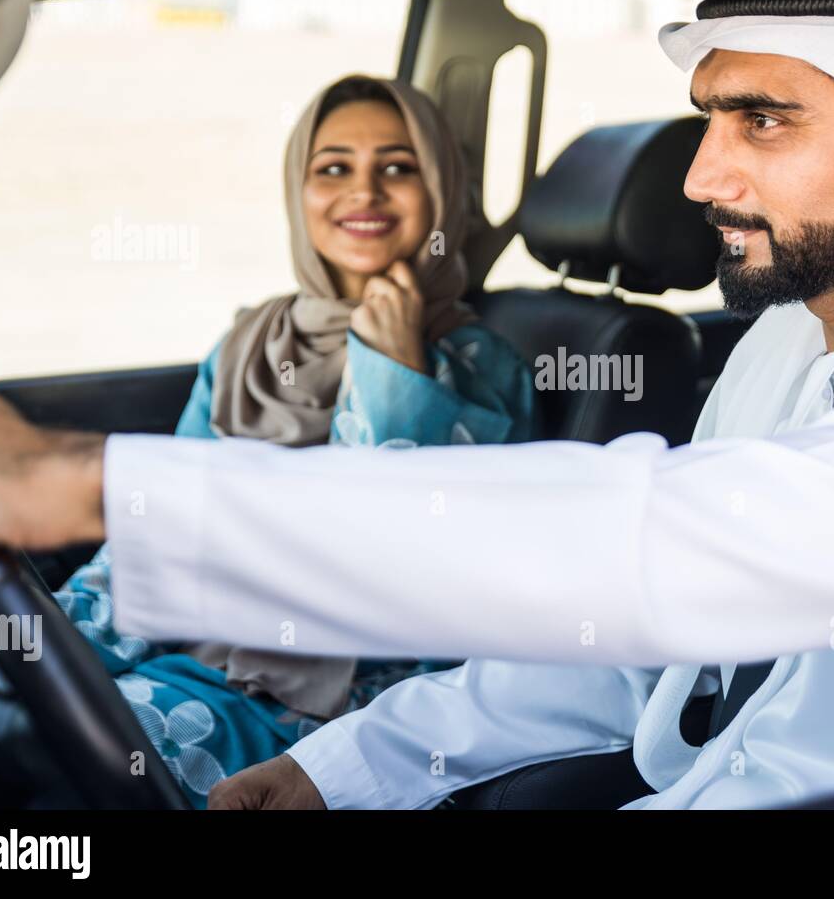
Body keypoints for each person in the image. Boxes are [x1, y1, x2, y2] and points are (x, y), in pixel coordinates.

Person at [0, 0, 834, 809]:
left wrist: (85, 480)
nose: (702, 175)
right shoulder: (793, 341)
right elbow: (639, 643)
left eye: (762, 120)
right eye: (710, 118)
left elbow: (648, 546)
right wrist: (350, 767)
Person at [45, 73, 537, 806]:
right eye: (332, 168)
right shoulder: (252, 340)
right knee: (15, 720)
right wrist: (55, 645)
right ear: (297, 192)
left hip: (338, 703)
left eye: (397, 168)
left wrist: (392, 367)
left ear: (439, 190)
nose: (362, 193)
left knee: (64, 772)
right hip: (195, 657)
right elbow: (165, 525)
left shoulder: (483, 364)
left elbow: (376, 556)